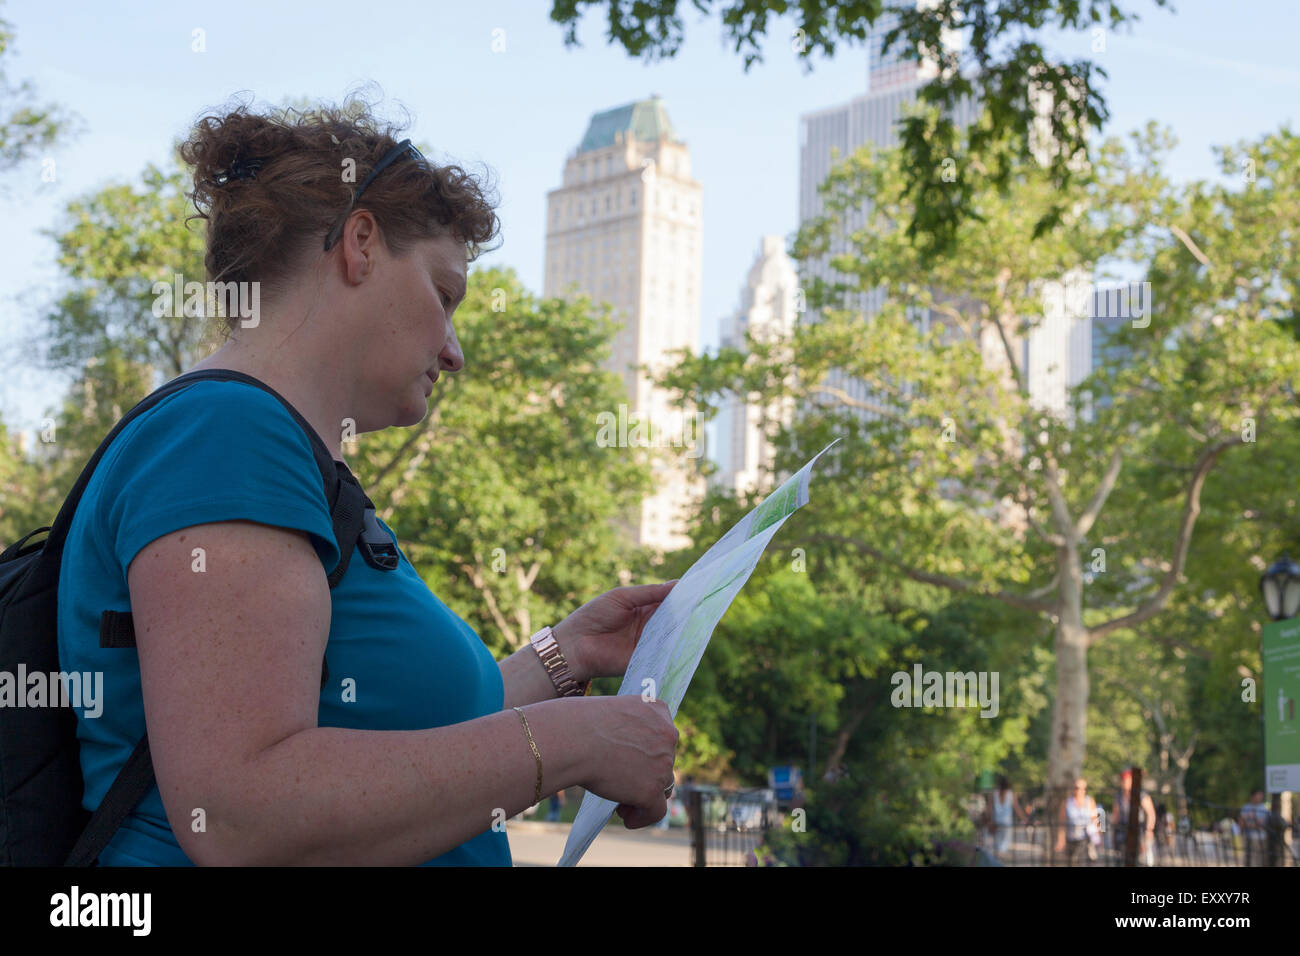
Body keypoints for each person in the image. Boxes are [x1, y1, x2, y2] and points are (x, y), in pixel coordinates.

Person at [56, 100, 682, 865]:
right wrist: (574, 742)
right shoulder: (226, 434)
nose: (455, 353)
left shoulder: (277, 450)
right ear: (360, 244)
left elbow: (391, 732)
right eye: (445, 295)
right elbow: (236, 810)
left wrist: (566, 654)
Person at [1112, 768, 1157, 865]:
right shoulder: (1119, 796)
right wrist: (1114, 833)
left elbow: (1151, 814)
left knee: (1137, 859)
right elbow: (1116, 816)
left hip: (1138, 831)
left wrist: (1149, 831)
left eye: (1126, 780)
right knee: (1121, 859)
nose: (1124, 782)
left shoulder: (1141, 794)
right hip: (1122, 832)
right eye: (1123, 780)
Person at [1056, 778, 1101, 864]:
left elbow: (1095, 820)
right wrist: (1061, 840)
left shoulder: (1090, 801)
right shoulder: (1067, 803)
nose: (1080, 791)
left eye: (1083, 788)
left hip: (1085, 839)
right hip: (1071, 839)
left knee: (1082, 861)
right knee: (1071, 862)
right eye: (1077, 788)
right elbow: (1061, 824)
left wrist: (1098, 837)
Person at [986, 775, 1028, 859]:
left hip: (996, 822)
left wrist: (988, 820)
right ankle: (1000, 858)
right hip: (1007, 822)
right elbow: (1017, 808)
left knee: (997, 843)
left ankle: (997, 858)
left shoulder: (993, 794)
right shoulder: (1011, 794)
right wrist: (1024, 818)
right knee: (1004, 843)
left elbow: (989, 809)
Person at [1239, 789, 1271, 866]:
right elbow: (1241, 823)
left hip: (1260, 838)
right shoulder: (1246, 807)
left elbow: (1261, 825)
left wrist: (1248, 820)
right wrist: (1253, 823)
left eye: (1261, 795)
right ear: (1253, 796)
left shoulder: (1263, 808)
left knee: (1258, 860)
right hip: (1247, 837)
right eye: (1258, 795)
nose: (1260, 797)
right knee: (1247, 859)